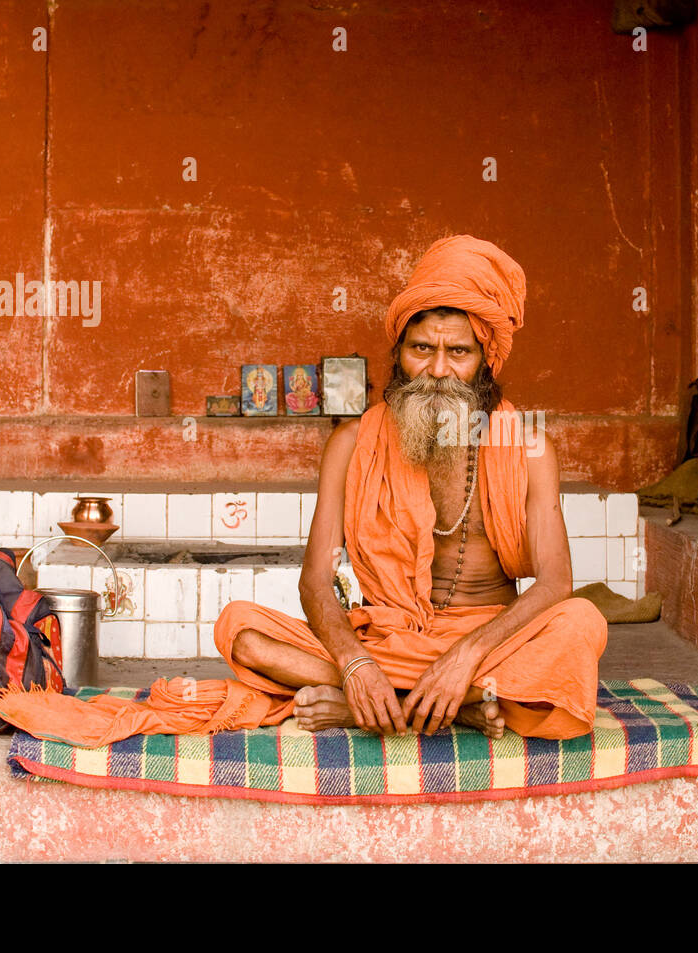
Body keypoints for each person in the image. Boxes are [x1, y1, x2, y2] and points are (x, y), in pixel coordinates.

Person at [214, 235, 607, 740]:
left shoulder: (527, 447)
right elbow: (315, 580)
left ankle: (382, 706)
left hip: (487, 643)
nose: (438, 370)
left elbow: (555, 584)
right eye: (422, 348)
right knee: (241, 631)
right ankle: (445, 705)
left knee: (580, 625)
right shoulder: (352, 442)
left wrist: (466, 656)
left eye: (458, 352)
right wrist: (356, 666)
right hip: (382, 641)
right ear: (399, 352)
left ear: (486, 359)